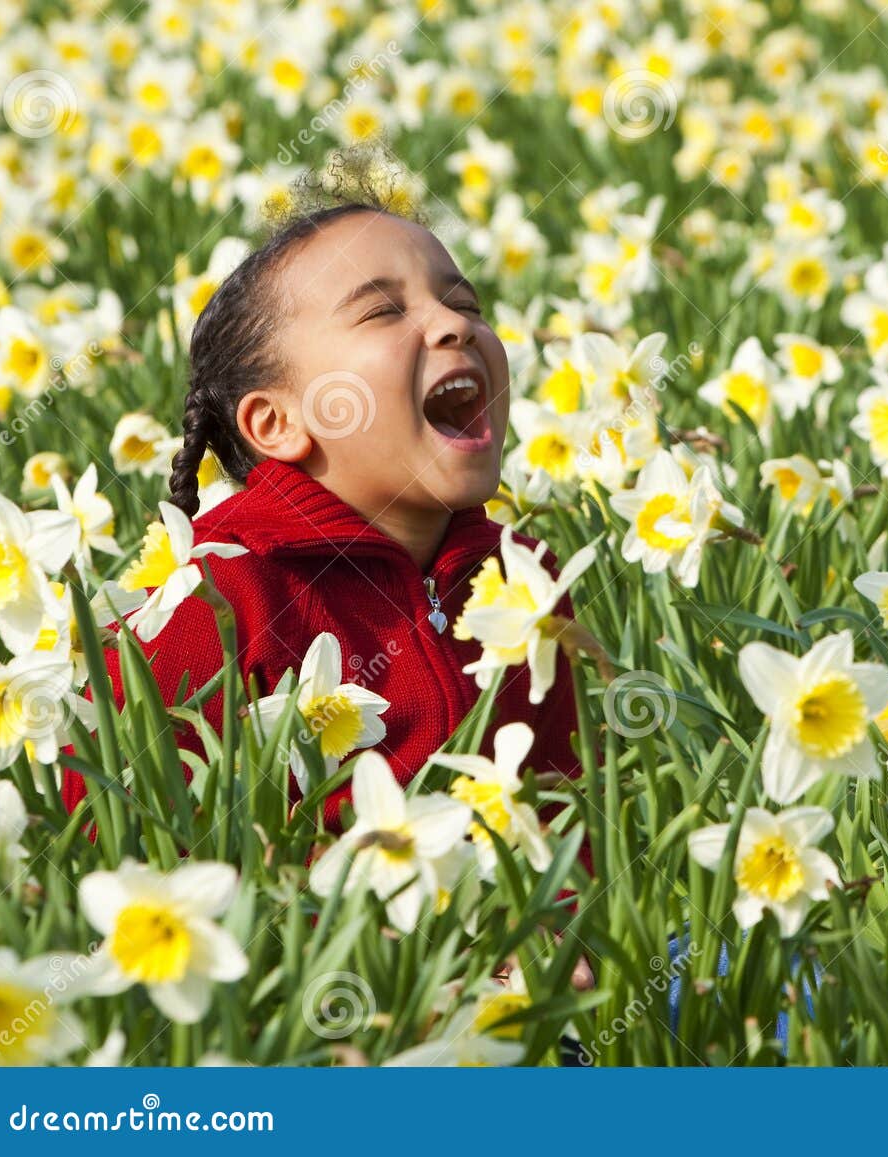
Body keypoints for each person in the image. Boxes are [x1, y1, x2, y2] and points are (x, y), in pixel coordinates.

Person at [61, 198, 585, 836]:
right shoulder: (215, 603)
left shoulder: (524, 578)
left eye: (465, 304)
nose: (453, 324)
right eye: (383, 311)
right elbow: (102, 832)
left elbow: (568, 820)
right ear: (277, 424)